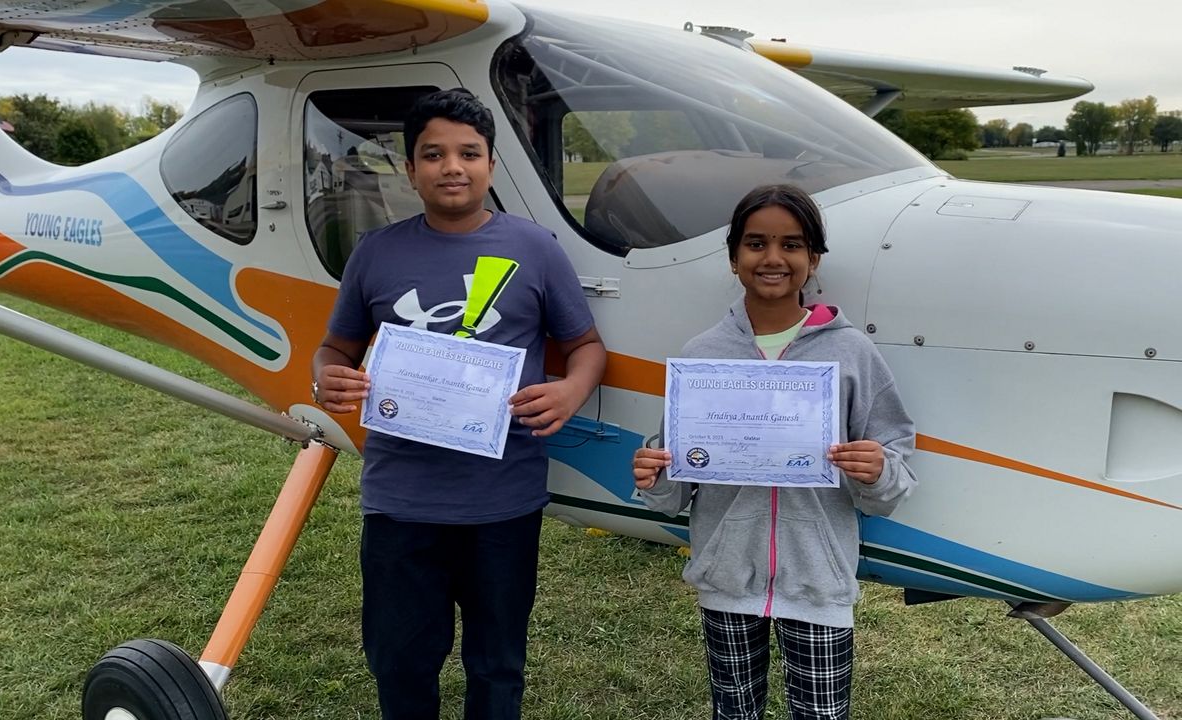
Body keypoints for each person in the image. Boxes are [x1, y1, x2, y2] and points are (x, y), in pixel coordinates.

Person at [311, 88, 606, 720]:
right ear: (410, 168)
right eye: (434, 154)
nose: (453, 167)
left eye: (469, 153)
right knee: (400, 662)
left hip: (502, 501)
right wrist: (325, 379)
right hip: (400, 501)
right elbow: (335, 348)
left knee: (497, 665)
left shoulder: (535, 248)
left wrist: (571, 389)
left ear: (491, 164)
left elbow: (586, 345)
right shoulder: (376, 253)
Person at [631, 184, 916, 720]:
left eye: (791, 244)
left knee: (821, 714)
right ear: (733, 256)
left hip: (818, 579)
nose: (773, 258)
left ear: (814, 258)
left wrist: (878, 471)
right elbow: (674, 488)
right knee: (734, 712)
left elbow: (892, 471)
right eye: (756, 243)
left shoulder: (851, 352)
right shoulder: (703, 355)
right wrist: (654, 475)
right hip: (727, 577)